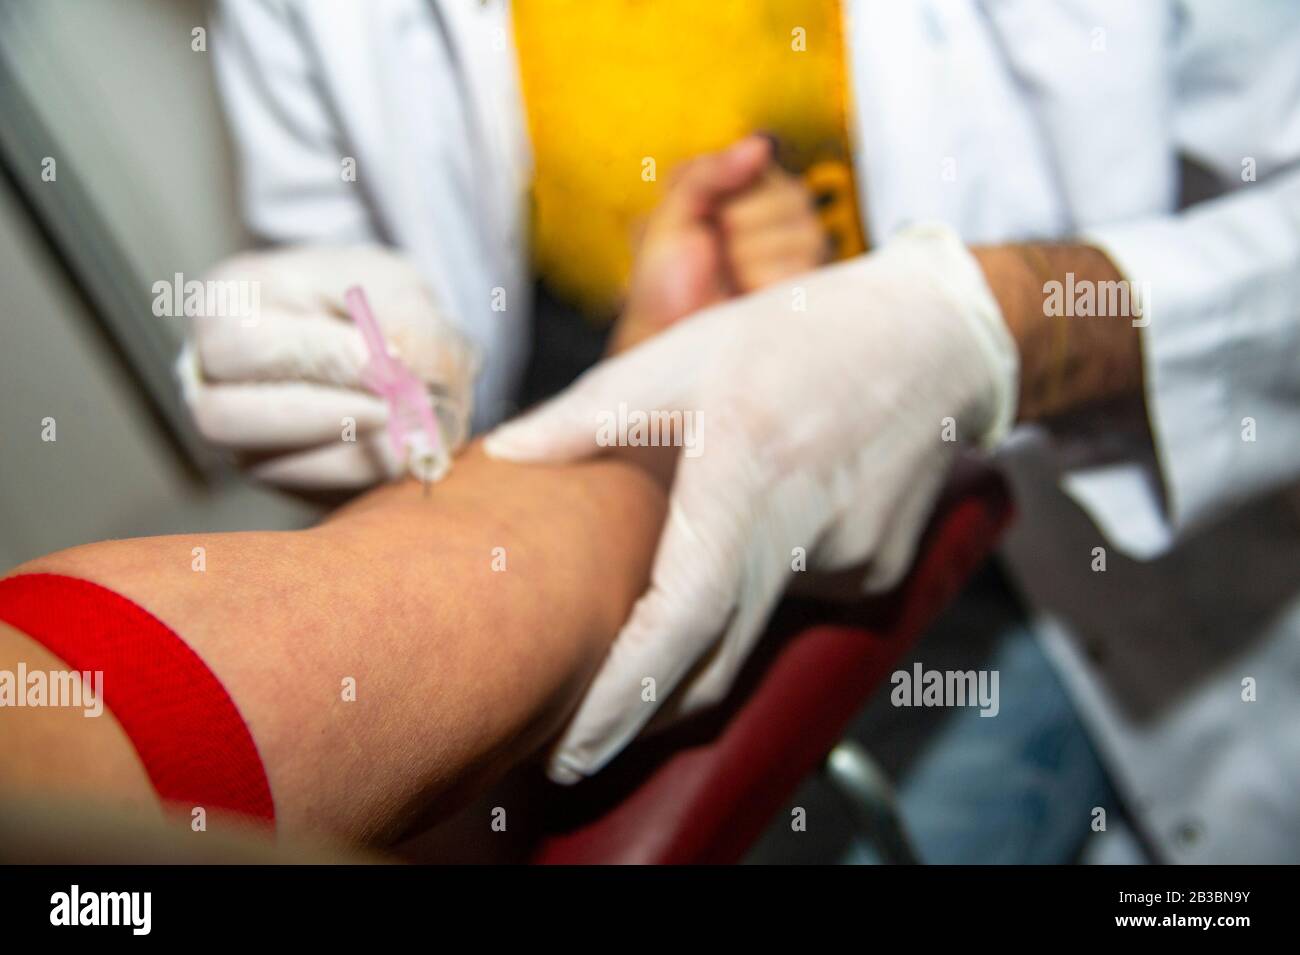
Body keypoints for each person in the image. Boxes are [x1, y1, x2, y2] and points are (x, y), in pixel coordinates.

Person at [194, 0, 1300, 862]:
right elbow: (357, 302)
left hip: (1061, 574)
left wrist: (1002, 323)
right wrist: (345, 373)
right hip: (622, 566)